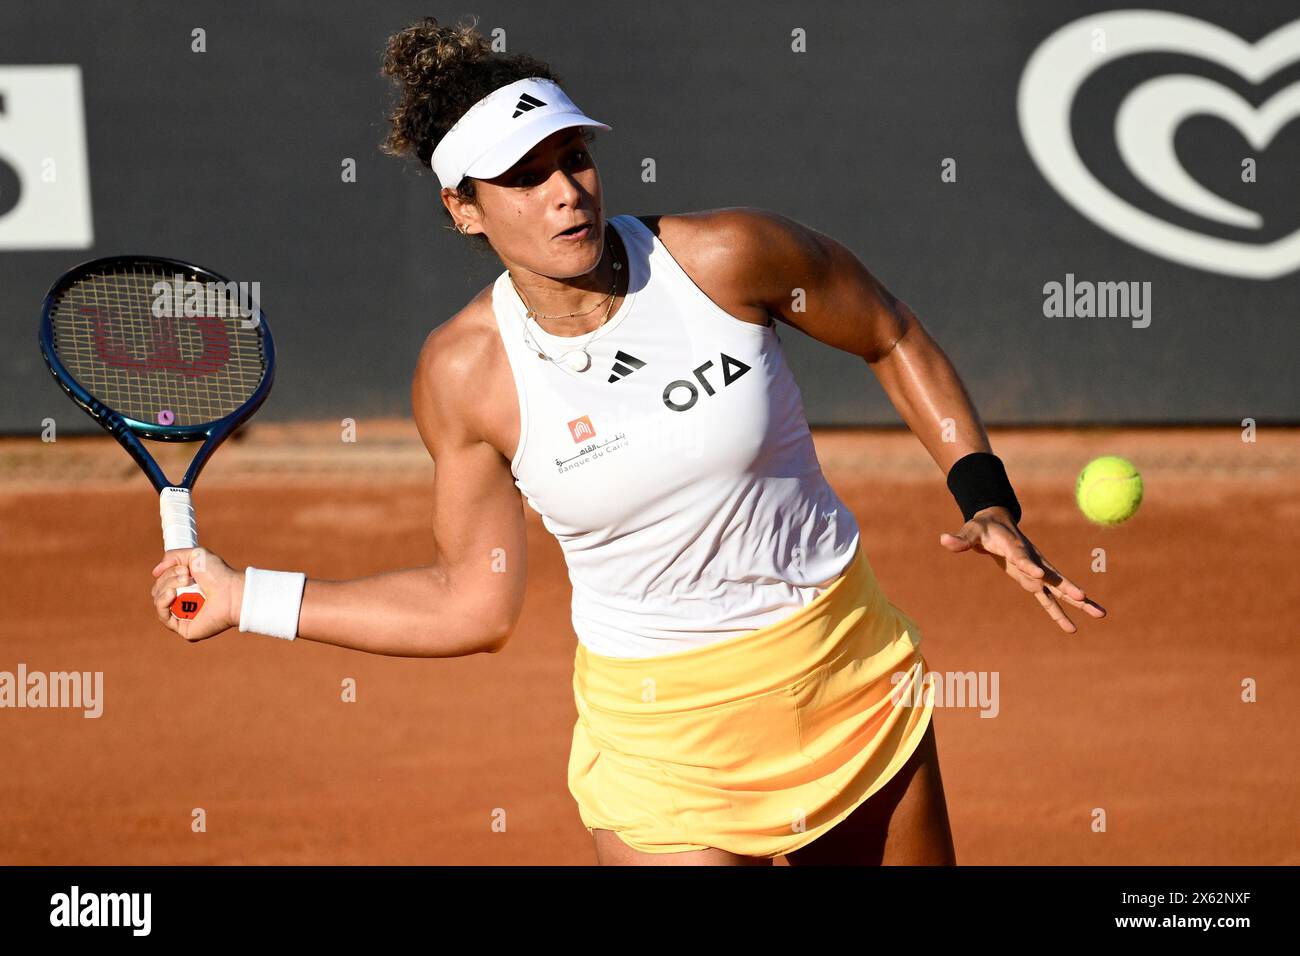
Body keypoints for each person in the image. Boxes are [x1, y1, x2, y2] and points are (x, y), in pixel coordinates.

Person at [150, 15, 1107, 866]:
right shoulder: (465, 375)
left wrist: (986, 499)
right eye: (524, 176)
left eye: (573, 157)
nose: (564, 191)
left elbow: (888, 332)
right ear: (463, 208)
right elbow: (471, 605)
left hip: (844, 682)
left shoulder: (729, 257)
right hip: (662, 747)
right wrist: (246, 598)